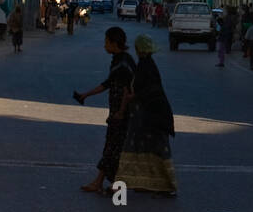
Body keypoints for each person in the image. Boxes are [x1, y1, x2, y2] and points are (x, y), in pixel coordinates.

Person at [72, 26, 137, 194]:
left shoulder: (123, 63)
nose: (104, 45)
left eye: (106, 42)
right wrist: (86, 95)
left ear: (114, 43)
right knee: (113, 146)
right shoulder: (119, 59)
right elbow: (108, 83)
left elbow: (127, 90)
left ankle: (105, 184)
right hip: (117, 111)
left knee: (114, 147)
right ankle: (103, 183)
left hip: (122, 112)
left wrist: (121, 112)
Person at [114, 34, 178, 195]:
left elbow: (149, 90)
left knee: (157, 150)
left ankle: (166, 187)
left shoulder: (146, 67)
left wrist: (131, 98)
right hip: (147, 116)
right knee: (144, 148)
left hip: (153, 116)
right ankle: (145, 183)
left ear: (139, 49)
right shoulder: (145, 65)